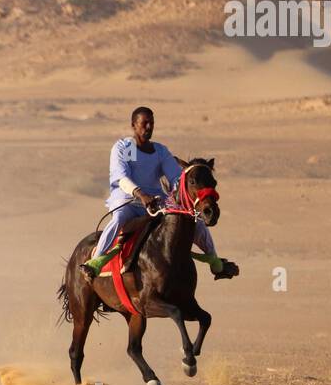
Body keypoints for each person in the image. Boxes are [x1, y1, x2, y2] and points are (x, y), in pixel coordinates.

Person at [79, 106, 229, 278]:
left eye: (151, 123)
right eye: (144, 123)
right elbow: (122, 178)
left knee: (194, 221)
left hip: (157, 203)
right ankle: (95, 263)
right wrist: (141, 194)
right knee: (119, 219)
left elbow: (176, 178)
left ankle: (217, 263)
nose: (149, 127)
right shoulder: (128, 147)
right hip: (128, 201)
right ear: (133, 125)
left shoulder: (160, 151)